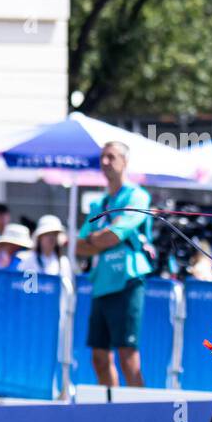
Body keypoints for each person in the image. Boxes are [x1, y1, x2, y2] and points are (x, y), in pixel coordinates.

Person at [75, 142, 152, 387]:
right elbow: (78, 245)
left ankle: (138, 415)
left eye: (111, 157)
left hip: (127, 281)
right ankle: (111, 409)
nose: (105, 162)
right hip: (101, 284)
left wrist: (96, 240)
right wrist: (102, 238)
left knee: (127, 355)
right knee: (98, 356)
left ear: (125, 161)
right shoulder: (99, 204)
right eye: (102, 157)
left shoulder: (137, 195)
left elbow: (114, 236)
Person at [17, 215, 72, 281]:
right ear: (40, 237)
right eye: (47, 234)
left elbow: (67, 287)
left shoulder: (64, 262)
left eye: (54, 234)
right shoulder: (28, 260)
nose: (51, 238)